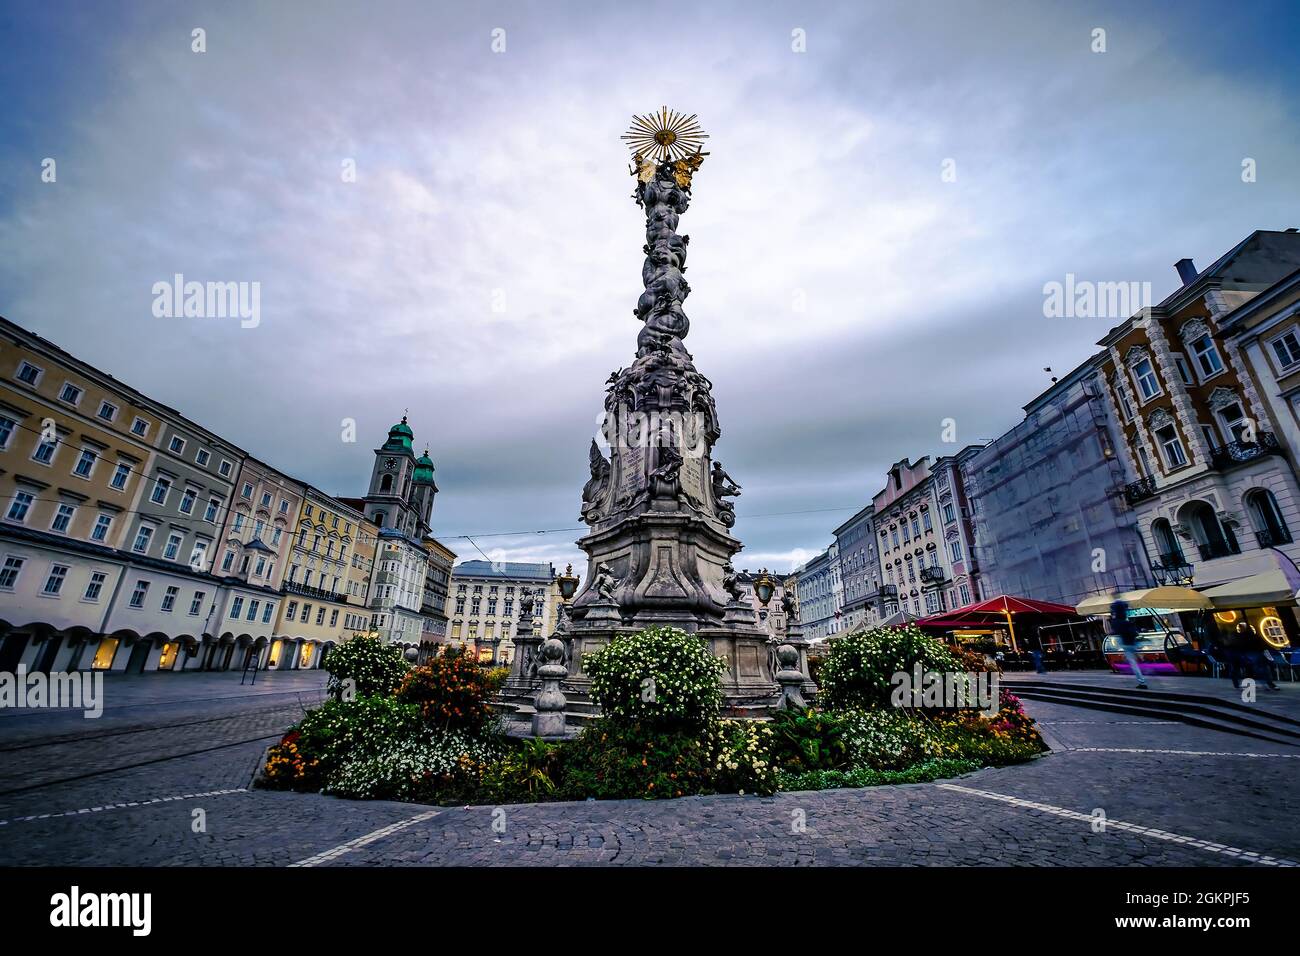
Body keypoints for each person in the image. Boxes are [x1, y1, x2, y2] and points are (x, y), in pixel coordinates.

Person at [1110, 599, 1148, 689]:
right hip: (1132, 642)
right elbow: (1134, 631)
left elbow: (1115, 630)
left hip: (1126, 644)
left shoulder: (1117, 622)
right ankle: (1143, 664)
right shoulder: (1125, 620)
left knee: (1133, 663)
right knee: (1134, 659)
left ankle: (1142, 681)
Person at [1235, 621, 1280, 691]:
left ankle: (1251, 684)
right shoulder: (1253, 636)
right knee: (1263, 668)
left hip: (1249, 654)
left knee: (1250, 669)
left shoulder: (1241, 637)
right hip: (1256, 653)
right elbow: (1261, 645)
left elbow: (1240, 646)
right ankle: (1270, 684)